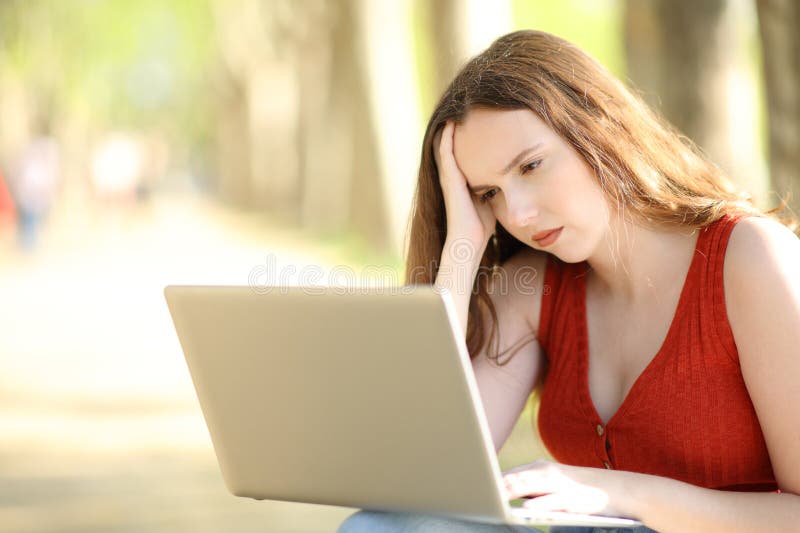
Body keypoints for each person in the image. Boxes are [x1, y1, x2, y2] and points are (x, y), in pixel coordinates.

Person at [338, 30, 800, 533]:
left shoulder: (750, 259)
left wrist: (620, 493)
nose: (517, 212)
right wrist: (461, 250)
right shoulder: (536, 289)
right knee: (384, 525)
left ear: (599, 126)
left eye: (531, 166)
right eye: (488, 192)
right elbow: (422, 475)